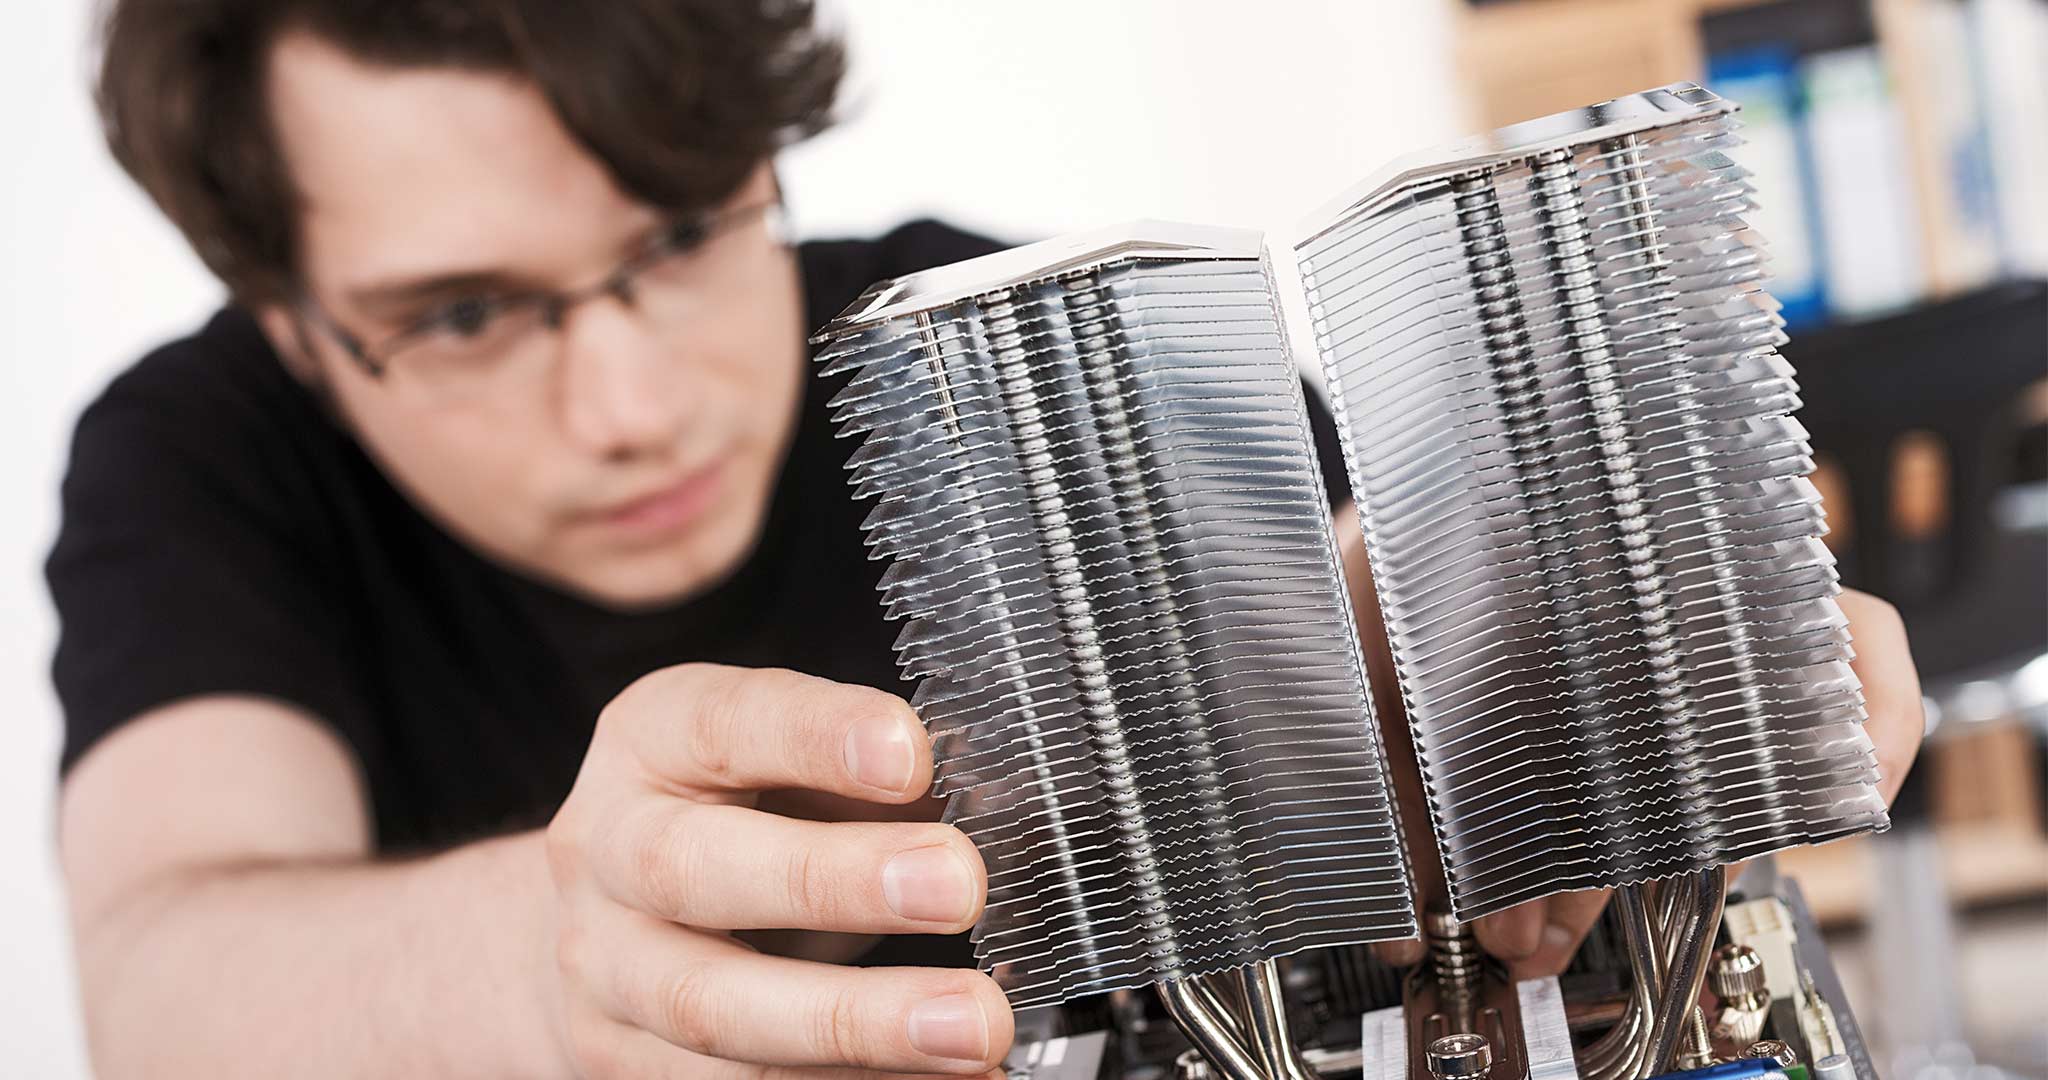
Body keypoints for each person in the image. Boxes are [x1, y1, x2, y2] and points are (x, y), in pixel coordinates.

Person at [48, 2, 1927, 1078]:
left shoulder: (994, 347)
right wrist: (556, 961)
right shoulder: (200, 463)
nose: (626, 399)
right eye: (465, 315)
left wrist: (1485, 671)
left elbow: (1378, 581)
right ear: (291, 315)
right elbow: (163, 979)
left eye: (684, 235)